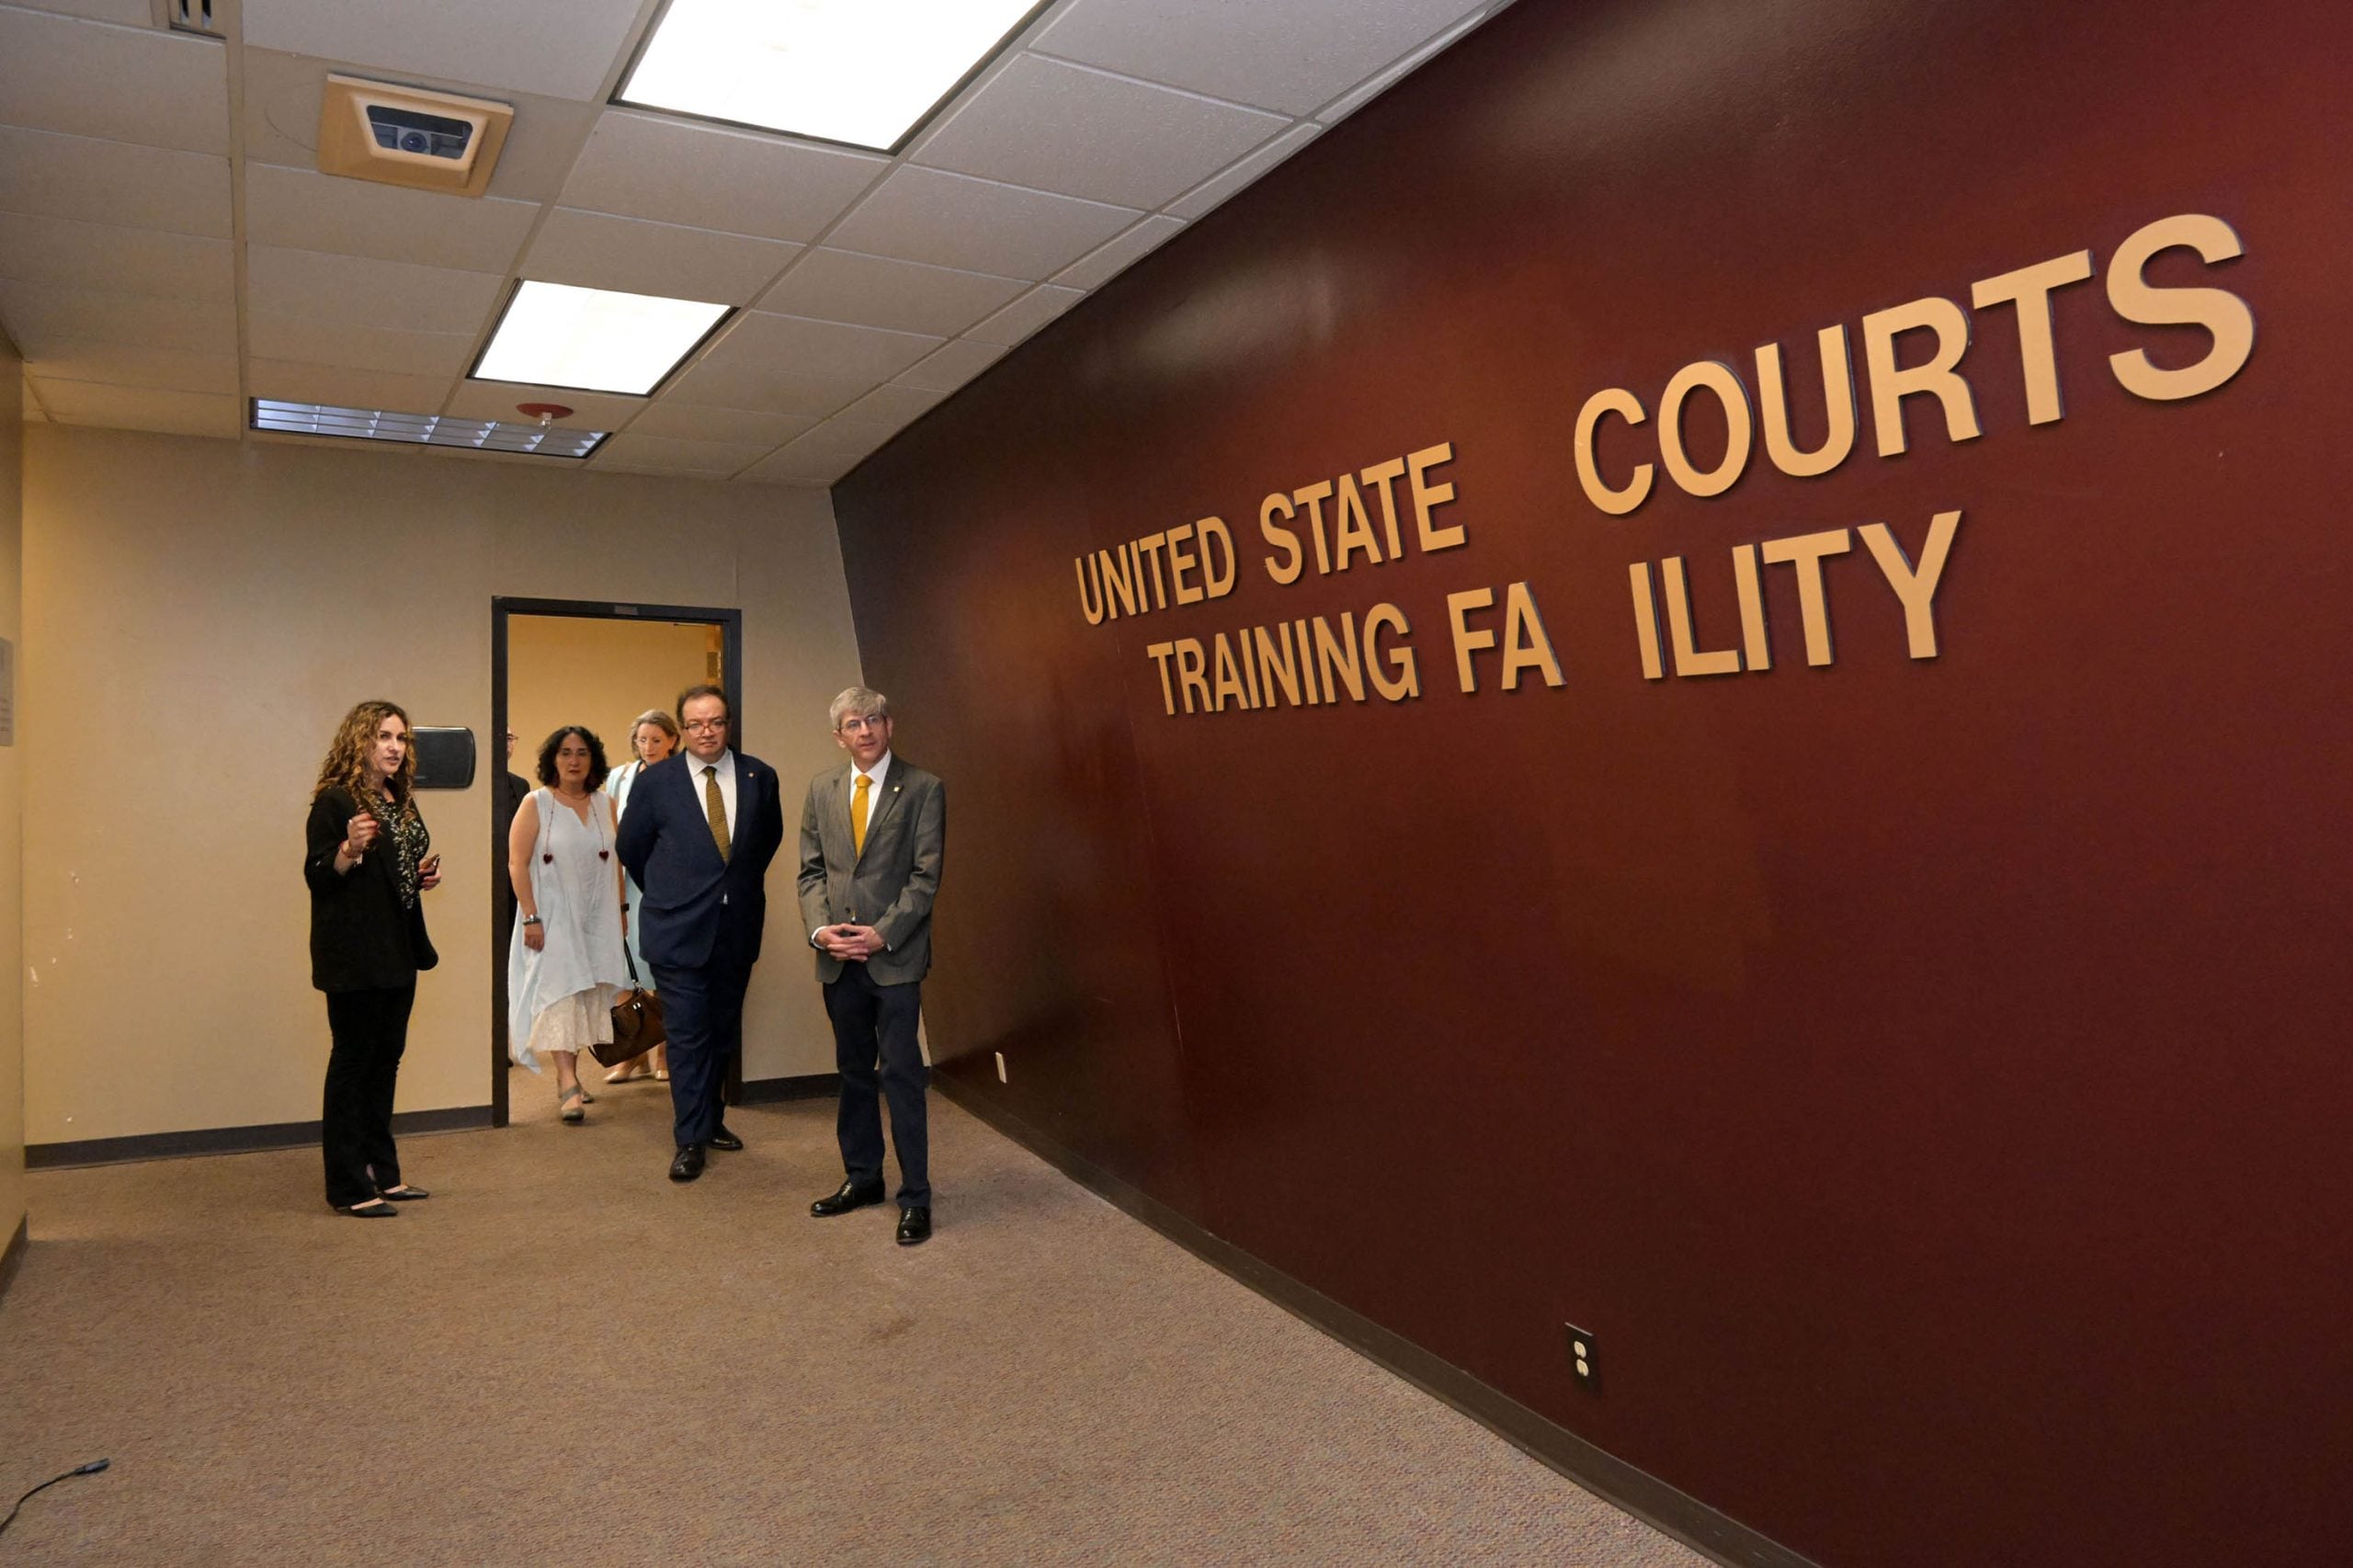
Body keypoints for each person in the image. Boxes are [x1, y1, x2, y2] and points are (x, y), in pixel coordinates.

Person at [616, 684, 785, 1182]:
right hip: (676, 928)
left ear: (727, 725)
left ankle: (712, 1121)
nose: (705, 731)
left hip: (736, 927)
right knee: (688, 1035)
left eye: (715, 722)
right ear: (681, 730)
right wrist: (675, 891)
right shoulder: (656, 781)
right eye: (695, 724)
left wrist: (728, 889)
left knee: (722, 1030)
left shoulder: (760, 776)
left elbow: (764, 844)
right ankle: (689, 1138)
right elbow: (632, 847)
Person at [797, 687, 946, 1246]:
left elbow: (925, 877)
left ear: (890, 725)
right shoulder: (822, 788)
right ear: (839, 736)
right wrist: (821, 931)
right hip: (839, 960)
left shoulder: (925, 788)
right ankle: (863, 1179)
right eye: (853, 724)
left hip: (895, 959)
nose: (865, 731)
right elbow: (810, 872)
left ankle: (916, 1197)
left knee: (902, 1076)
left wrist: (881, 934)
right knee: (854, 1074)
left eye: (874, 720)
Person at [304, 699, 442, 1219]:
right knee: (352, 1064)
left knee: (386, 1063)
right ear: (360, 741)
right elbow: (318, 873)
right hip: (355, 956)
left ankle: (384, 1172)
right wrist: (347, 849)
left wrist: (419, 874)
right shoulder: (335, 802)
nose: (393, 747)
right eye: (383, 736)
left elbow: (396, 868)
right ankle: (345, 1185)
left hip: (399, 949)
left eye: (401, 738)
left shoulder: (398, 796)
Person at [506, 726, 631, 1122]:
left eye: (581, 753)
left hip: (598, 916)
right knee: (561, 994)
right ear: (552, 759)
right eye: (565, 753)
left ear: (592, 759)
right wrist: (530, 916)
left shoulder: (604, 803)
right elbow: (517, 863)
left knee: (585, 994)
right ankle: (567, 1082)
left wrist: (622, 910)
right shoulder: (536, 802)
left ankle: (572, 1075)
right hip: (551, 915)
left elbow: (615, 860)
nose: (573, 761)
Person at [602, 710, 679, 1085]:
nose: (648, 747)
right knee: (623, 965)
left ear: (672, 741)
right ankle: (631, 1054)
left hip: (661, 879)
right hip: (624, 879)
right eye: (642, 740)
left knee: (659, 966)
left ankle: (663, 1051)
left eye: (656, 740)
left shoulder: (680, 775)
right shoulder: (619, 776)